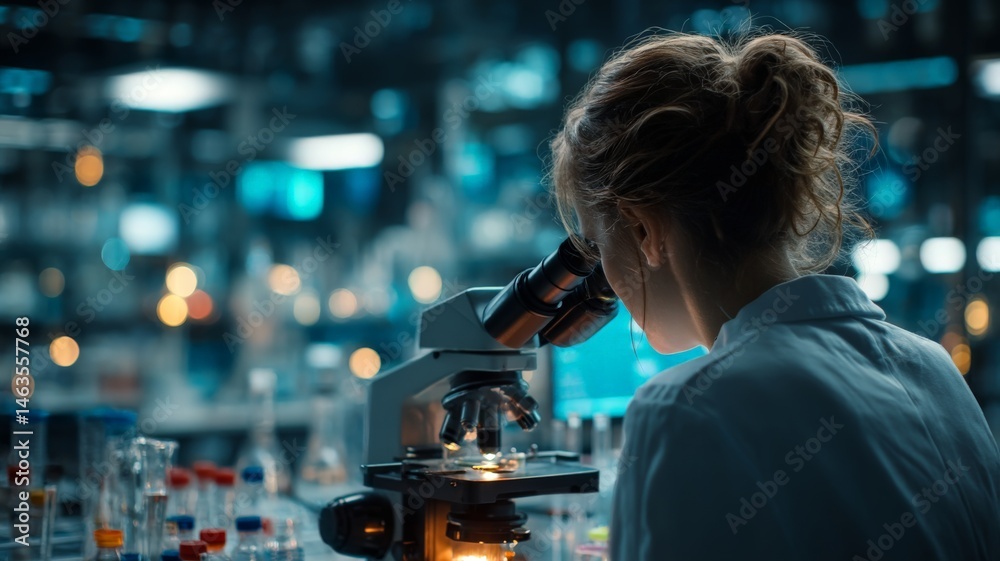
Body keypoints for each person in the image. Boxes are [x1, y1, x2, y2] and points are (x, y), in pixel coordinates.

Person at [548, 31, 1000, 560]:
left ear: (646, 231)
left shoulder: (680, 410)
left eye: (598, 246)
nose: (604, 276)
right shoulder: (932, 368)